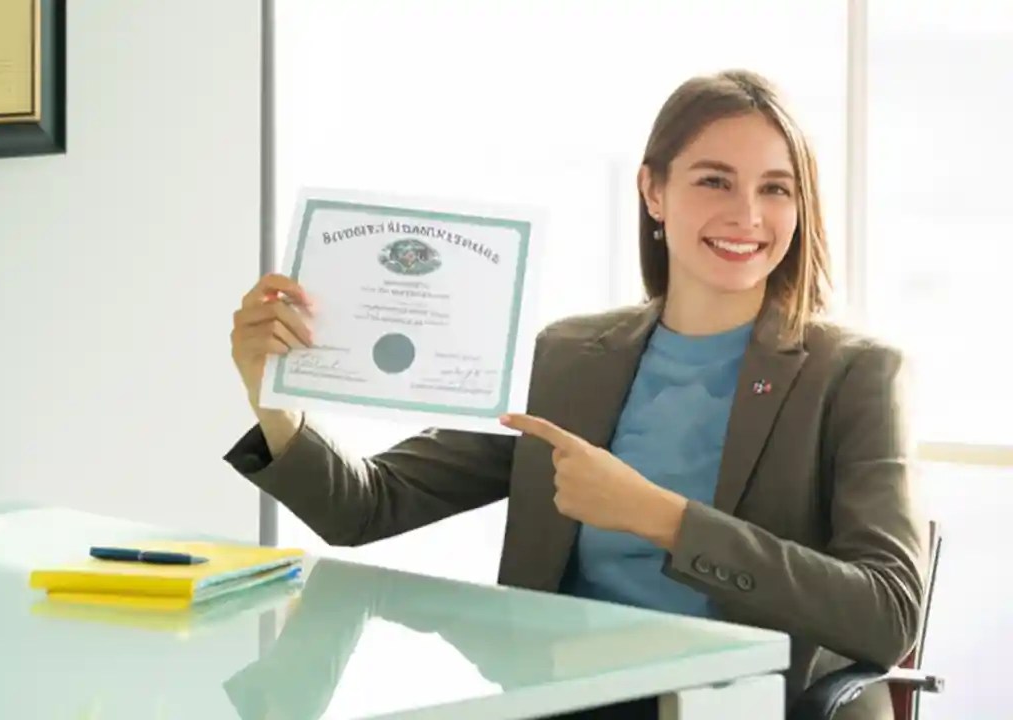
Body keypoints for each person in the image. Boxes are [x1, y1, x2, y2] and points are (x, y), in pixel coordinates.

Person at [223, 69, 925, 720]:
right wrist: (275, 401)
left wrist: (661, 517)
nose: (747, 214)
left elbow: (890, 615)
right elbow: (366, 505)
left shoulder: (857, 373)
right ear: (653, 191)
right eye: (715, 180)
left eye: (776, 189)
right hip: (565, 694)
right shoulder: (570, 359)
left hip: (738, 706)